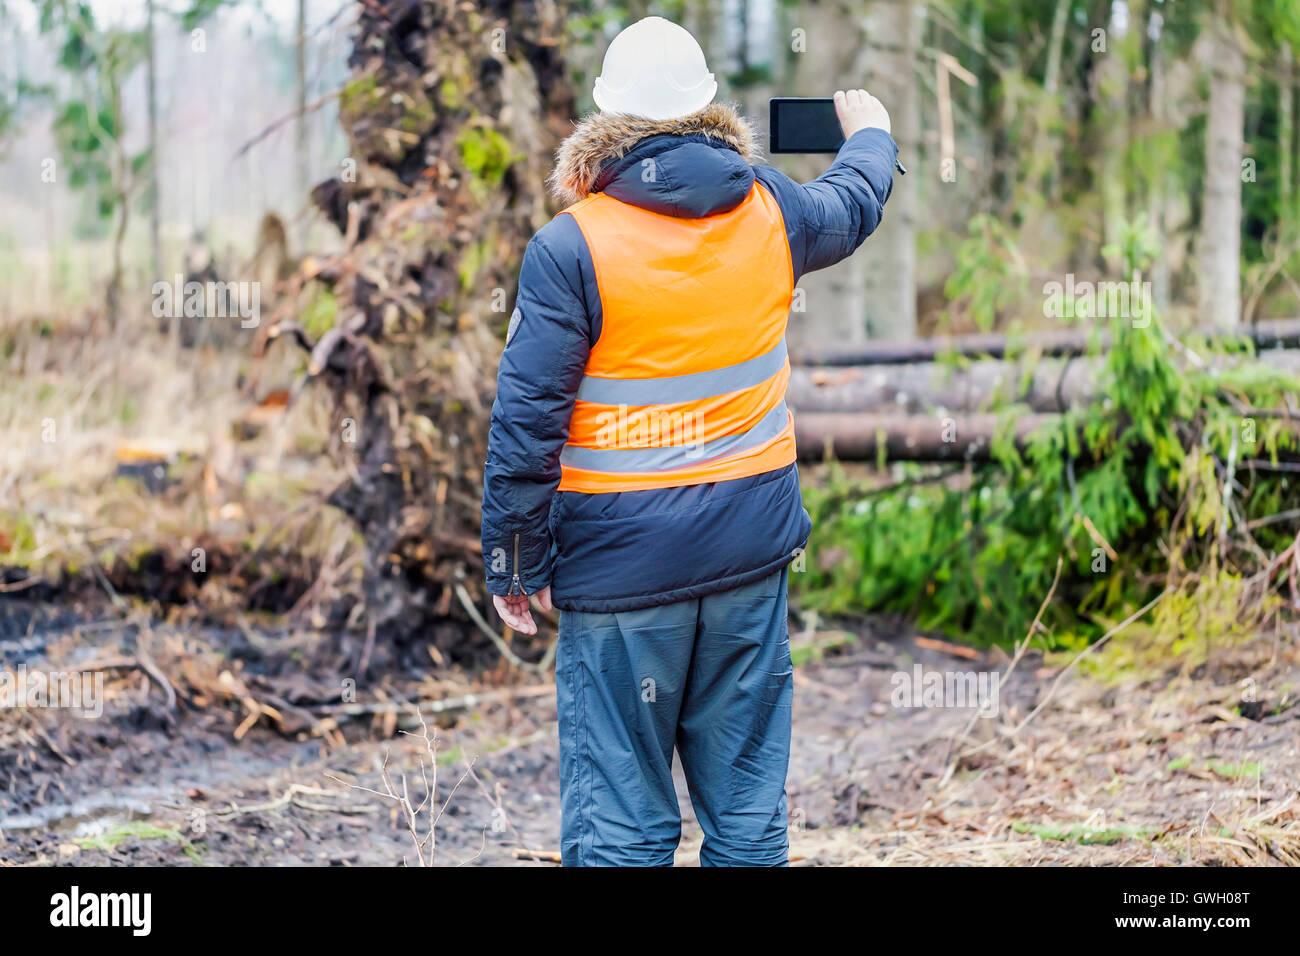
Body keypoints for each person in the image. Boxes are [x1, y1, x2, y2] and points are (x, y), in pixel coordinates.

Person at [480, 16, 898, 866]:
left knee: (624, 826)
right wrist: (874, 136)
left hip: (621, 578)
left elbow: (527, 424)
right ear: (709, 109)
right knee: (746, 813)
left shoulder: (572, 248)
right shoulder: (772, 209)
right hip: (749, 560)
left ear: (603, 124)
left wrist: (515, 563)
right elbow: (854, 204)